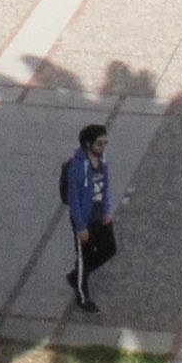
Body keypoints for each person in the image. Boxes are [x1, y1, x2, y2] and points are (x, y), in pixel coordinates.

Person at [60, 121, 117, 313]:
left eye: (104, 143)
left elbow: (106, 186)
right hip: (84, 220)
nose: (103, 147)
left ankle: (77, 274)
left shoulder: (102, 161)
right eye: (99, 144)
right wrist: (80, 226)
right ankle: (83, 297)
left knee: (109, 249)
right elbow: (74, 199)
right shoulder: (77, 166)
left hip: (100, 216)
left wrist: (107, 210)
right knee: (83, 257)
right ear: (88, 145)